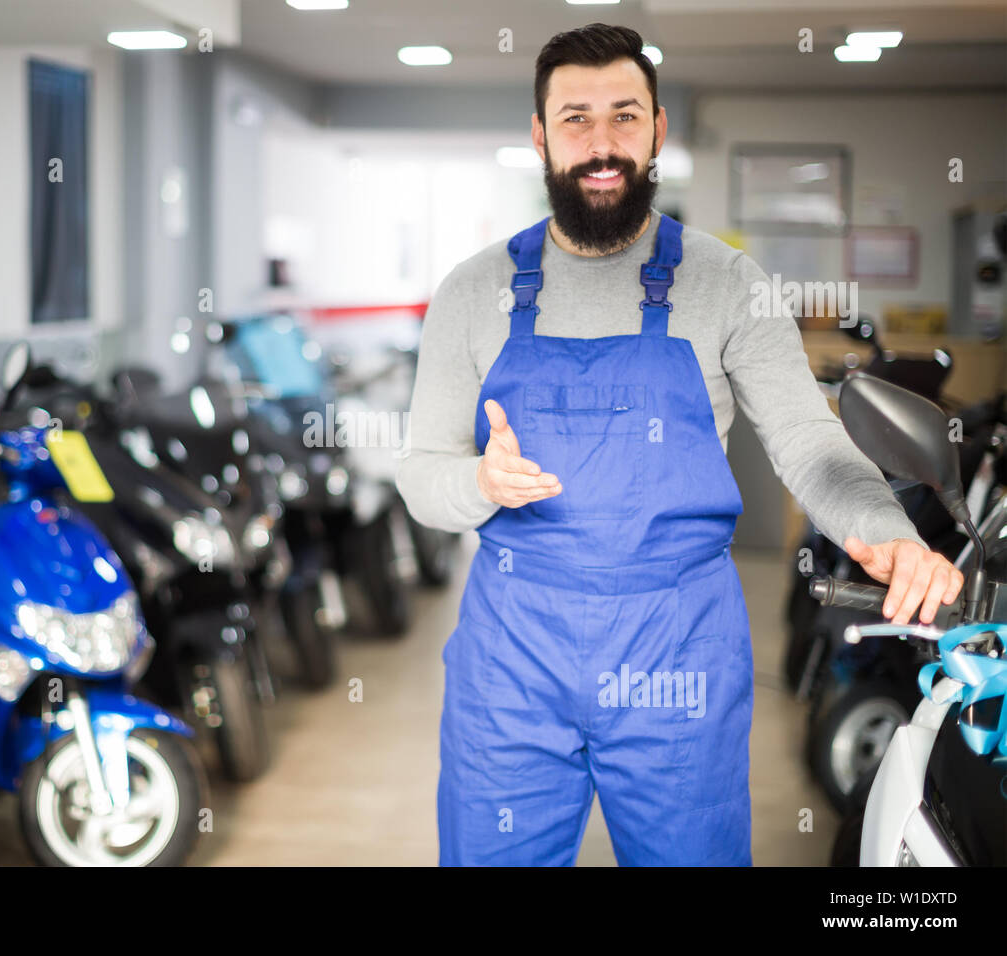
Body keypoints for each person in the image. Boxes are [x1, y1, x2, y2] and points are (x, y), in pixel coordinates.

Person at [394, 23, 964, 866]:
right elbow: (419, 473)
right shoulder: (474, 291)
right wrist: (480, 482)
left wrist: (884, 531)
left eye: (624, 117)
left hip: (677, 649)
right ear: (540, 136)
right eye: (576, 119)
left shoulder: (727, 283)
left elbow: (807, 437)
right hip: (513, 653)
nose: (601, 143)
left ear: (659, 130)